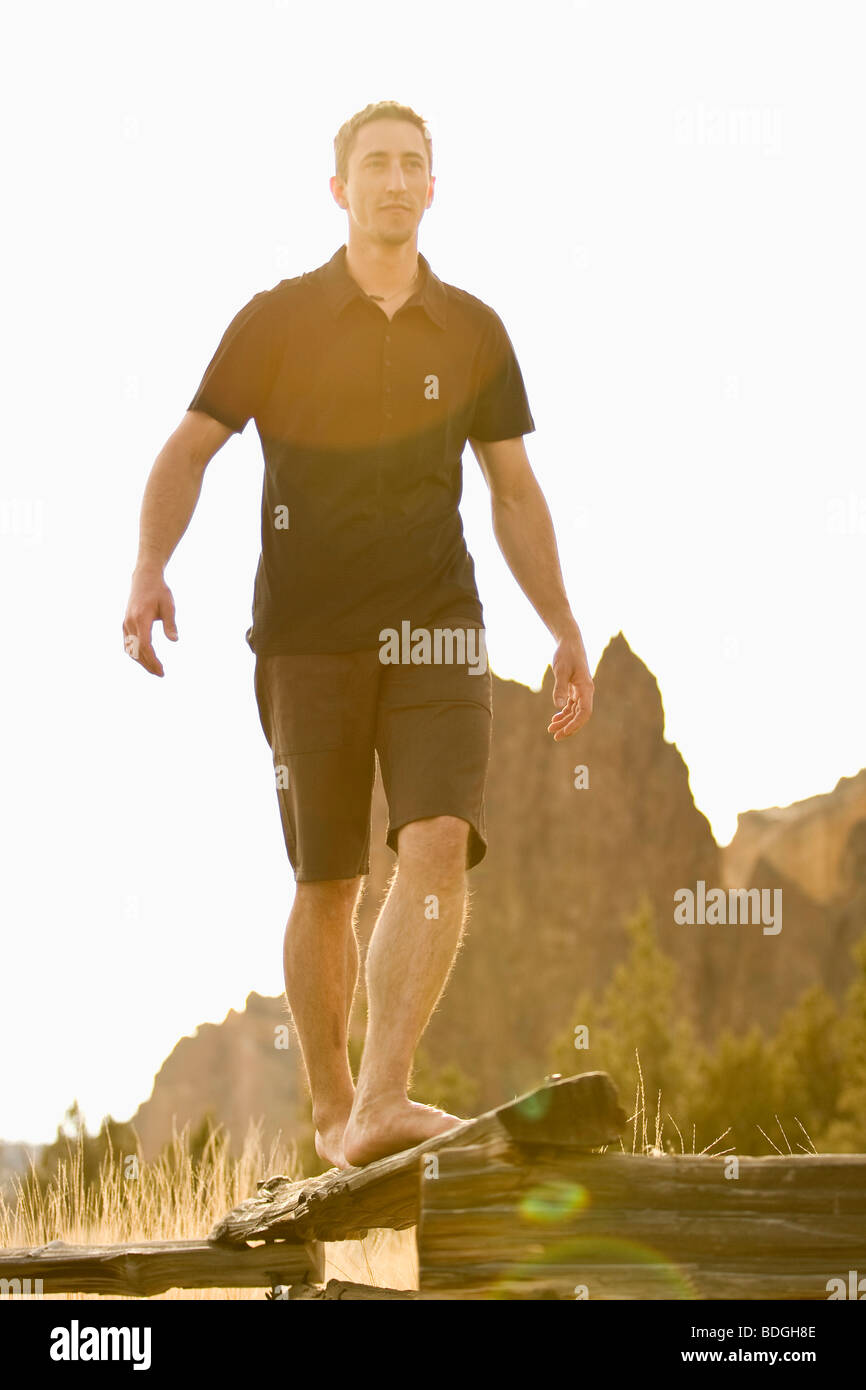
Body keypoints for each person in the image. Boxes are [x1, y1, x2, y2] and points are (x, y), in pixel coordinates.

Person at [123, 100, 594, 1169]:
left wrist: (561, 620)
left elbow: (512, 493)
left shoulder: (472, 329)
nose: (393, 179)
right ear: (338, 189)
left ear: (433, 188)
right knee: (327, 880)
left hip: (436, 630)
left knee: (435, 841)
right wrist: (150, 569)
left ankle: (384, 1094)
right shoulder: (277, 319)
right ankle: (336, 1113)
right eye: (373, 164)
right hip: (305, 639)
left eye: (411, 165)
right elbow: (187, 450)